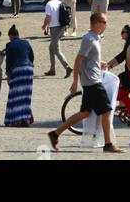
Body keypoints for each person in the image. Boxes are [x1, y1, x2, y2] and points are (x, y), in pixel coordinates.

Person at [48, 11, 121, 153]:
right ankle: (108, 144)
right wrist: (75, 81)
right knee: (106, 111)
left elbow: (87, 60)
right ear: (97, 23)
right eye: (104, 22)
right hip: (93, 82)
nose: (106, 25)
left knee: (85, 113)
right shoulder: (89, 39)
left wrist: (99, 63)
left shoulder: (95, 38)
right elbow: (78, 60)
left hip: (91, 81)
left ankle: (55, 133)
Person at [3, 24, 35, 126]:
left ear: (11, 36)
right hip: (29, 69)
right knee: (26, 95)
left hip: (17, 70)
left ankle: (16, 119)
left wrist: (8, 75)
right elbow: (32, 56)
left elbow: (8, 62)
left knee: (15, 95)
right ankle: (25, 119)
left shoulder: (9, 45)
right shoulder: (26, 42)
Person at [107, 23, 130, 118]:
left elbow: (121, 57)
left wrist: (109, 66)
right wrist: (109, 65)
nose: (121, 34)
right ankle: (123, 106)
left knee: (122, 95)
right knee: (118, 78)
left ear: (128, 33)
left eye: (123, 32)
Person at [42, 0, 72, 78]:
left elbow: (48, 18)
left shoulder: (49, 4)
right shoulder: (60, 3)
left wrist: (44, 26)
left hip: (54, 28)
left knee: (56, 49)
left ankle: (67, 67)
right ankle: (52, 69)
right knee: (51, 48)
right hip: (62, 28)